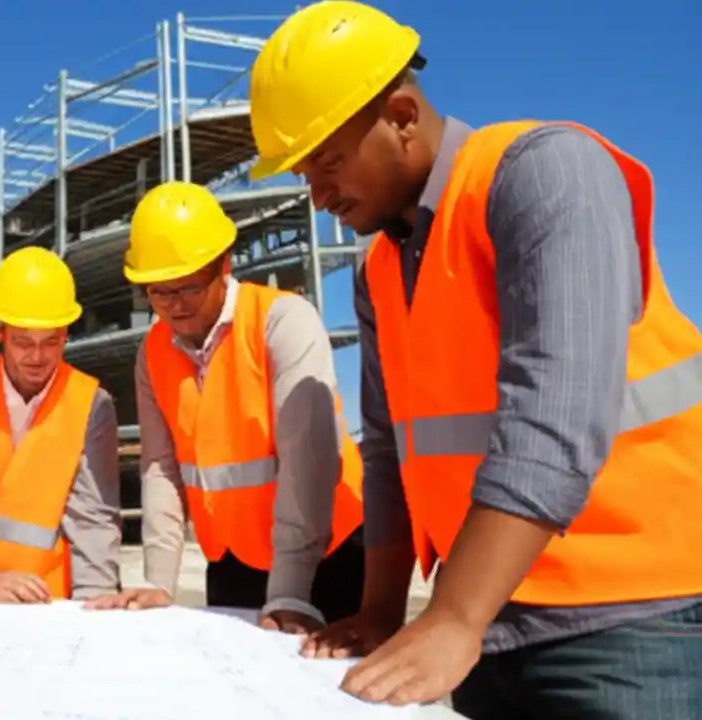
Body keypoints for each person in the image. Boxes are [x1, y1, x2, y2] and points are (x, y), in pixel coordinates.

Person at [247, 1, 702, 716]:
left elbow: (555, 416)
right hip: (491, 616)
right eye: (304, 172)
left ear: (400, 115)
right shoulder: (378, 268)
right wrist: (382, 608)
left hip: (632, 618)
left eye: (328, 162)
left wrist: (454, 616)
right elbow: (390, 451)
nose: (317, 193)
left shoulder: (544, 172)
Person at [84, 181, 365, 633]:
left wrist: (289, 590)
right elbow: (161, 467)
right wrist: (159, 583)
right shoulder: (152, 352)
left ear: (225, 266)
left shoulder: (282, 321)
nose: (174, 306)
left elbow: (306, 460)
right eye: (159, 292)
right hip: (232, 561)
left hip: (326, 556)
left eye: (189, 288)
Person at [0, 247, 123, 603]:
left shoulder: (93, 404)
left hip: (45, 597)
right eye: (23, 342)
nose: (37, 357)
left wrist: (96, 603)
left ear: (66, 333)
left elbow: (94, 519)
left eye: (51, 342)